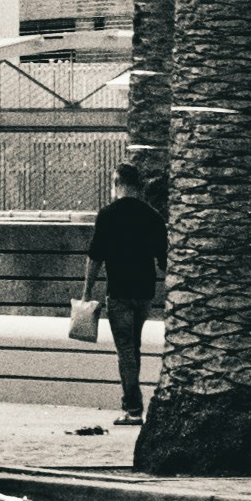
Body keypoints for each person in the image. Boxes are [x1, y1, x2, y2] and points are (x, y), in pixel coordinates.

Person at [86, 168, 164, 423]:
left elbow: (95, 257)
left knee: (125, 350)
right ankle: (132, 406)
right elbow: (164, 261)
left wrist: (86, 292)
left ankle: (132, 409)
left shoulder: (108, 215)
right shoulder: (152, 216)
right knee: (135, 346)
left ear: (116, 183)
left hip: (119, 292)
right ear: (138, 185)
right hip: (144, 293)